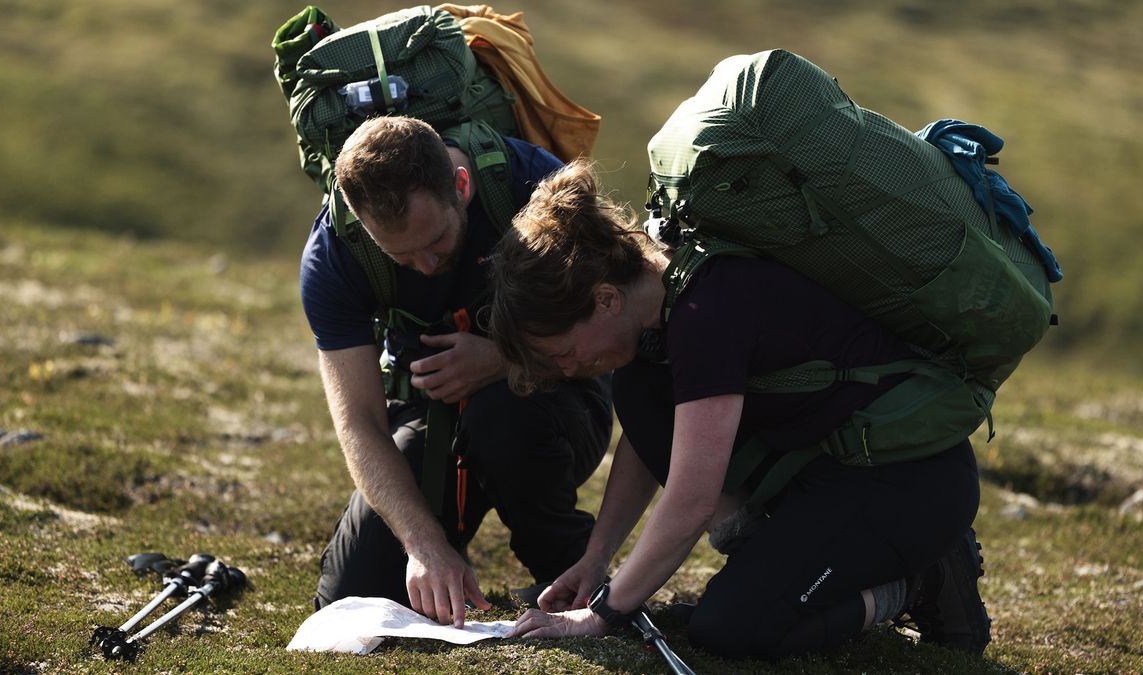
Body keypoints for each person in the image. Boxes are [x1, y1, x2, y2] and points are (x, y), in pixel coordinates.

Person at [490, 160, 992, 660]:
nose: (570, 367)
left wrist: (602, 615)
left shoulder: (706, 312)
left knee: (734, 630)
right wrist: (595, 561)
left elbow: (692, 500)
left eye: (563, 351)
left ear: (604, 300)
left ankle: (925, 579)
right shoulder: (666, 303)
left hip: (905, 485)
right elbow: (645, 442)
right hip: (827, 467)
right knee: (640, 391)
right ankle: (772, 575)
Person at [299, 116, 612, 627]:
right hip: (432, 417)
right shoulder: (336, 254)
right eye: (399, 256)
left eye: (438, 242)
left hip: (557, 401)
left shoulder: (534, 187)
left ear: (461, 187)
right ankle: (445, 553)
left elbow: (614, 329)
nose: (424, 266)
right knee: (351, 597)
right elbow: (359, 423)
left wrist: (502, 359)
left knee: (500, 414)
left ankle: (571, 573)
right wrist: (424, 545)